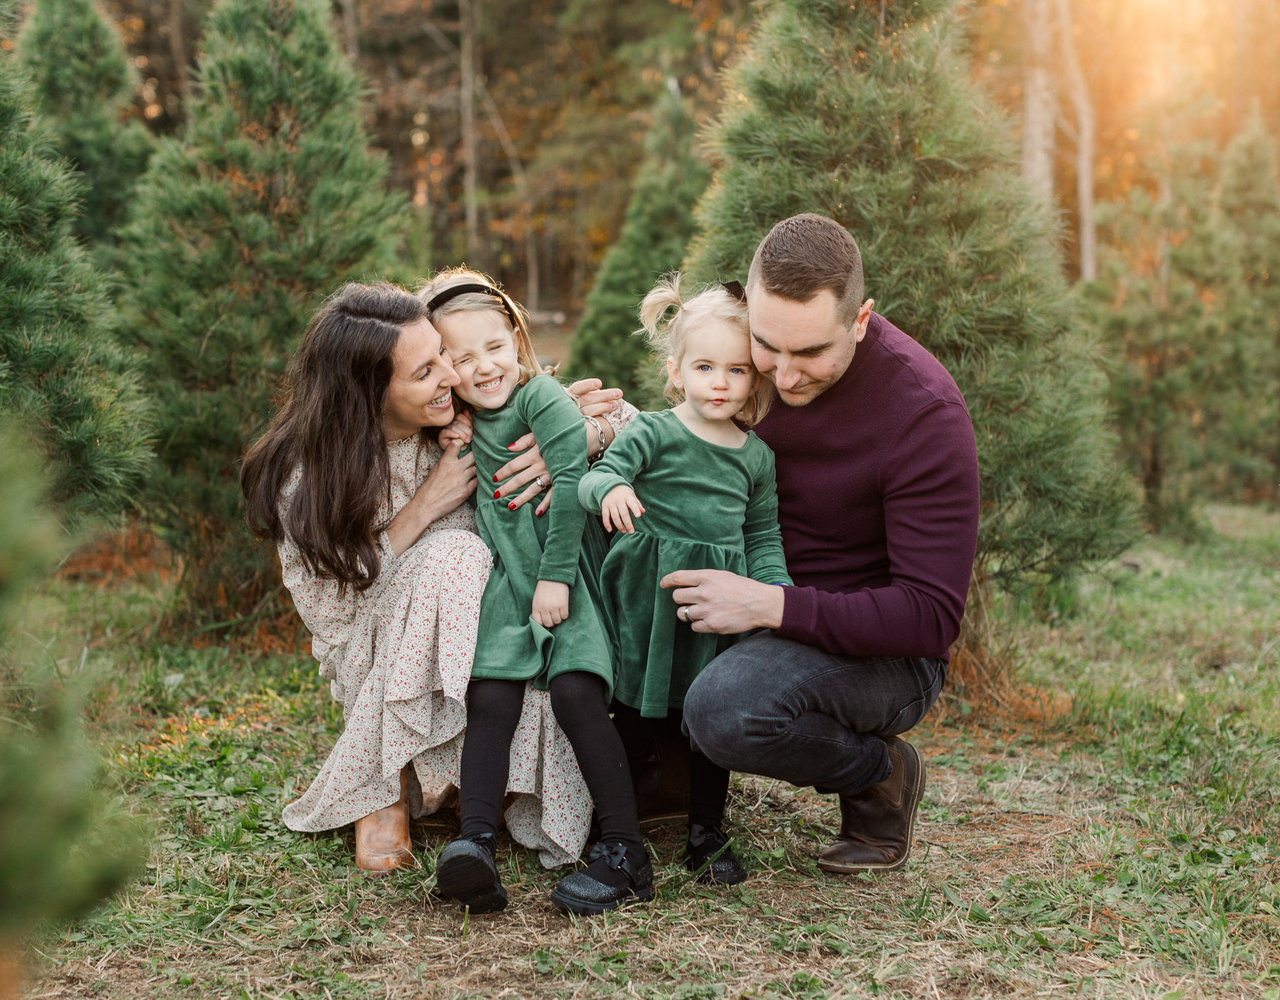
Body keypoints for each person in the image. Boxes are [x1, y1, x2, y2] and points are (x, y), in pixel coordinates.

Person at [662, 214, 980, 875]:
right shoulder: (742, 363)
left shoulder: (923, 413)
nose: (783, 375)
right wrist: (594, 440)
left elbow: (928, 617)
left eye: (810, 354)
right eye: (768, 346)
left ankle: (879, 775)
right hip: (753, 602)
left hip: (881, 651)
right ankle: (660, 777)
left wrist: (772, 606)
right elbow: (681, 440)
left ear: (860, 320)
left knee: (726, 711)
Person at [240, 282, 585, 875]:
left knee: (510, 593)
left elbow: (625, 416)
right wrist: (423, 507)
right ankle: (385, 787)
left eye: (442, 356)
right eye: (425, 372)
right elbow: (332, 616)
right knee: (455, 553)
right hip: (370, 648)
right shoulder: (312, 472)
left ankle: (478, 779)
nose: (451, 377)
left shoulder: (466, 416)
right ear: (370, 394)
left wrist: (587, 433)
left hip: (487, 632)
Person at [420, 268, 652, 917]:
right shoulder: (470, 418)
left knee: (578, 693)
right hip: (508, 585)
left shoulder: (539, 397)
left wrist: (554, 579)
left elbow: (574, 479)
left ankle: (627, 850)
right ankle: (474, 845)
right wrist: (453, 434)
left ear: (515, 341)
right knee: (490, 696)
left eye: (494, 347)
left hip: (562, 572)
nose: (484, 365)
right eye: (463, 359)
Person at [578, 274, 793, 887]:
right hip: (645, 596)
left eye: (736, 370)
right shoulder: (652, 430)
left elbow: (762, 537)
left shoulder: (755, 456)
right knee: (635, 718)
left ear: (755, 378)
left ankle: (707, 833)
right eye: (704, 367)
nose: (719, 383)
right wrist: (613, 486)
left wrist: (777, 597)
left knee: (702, 724)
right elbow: (594, 479)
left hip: (713, 607)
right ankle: (611, 827)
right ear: (676, 372)